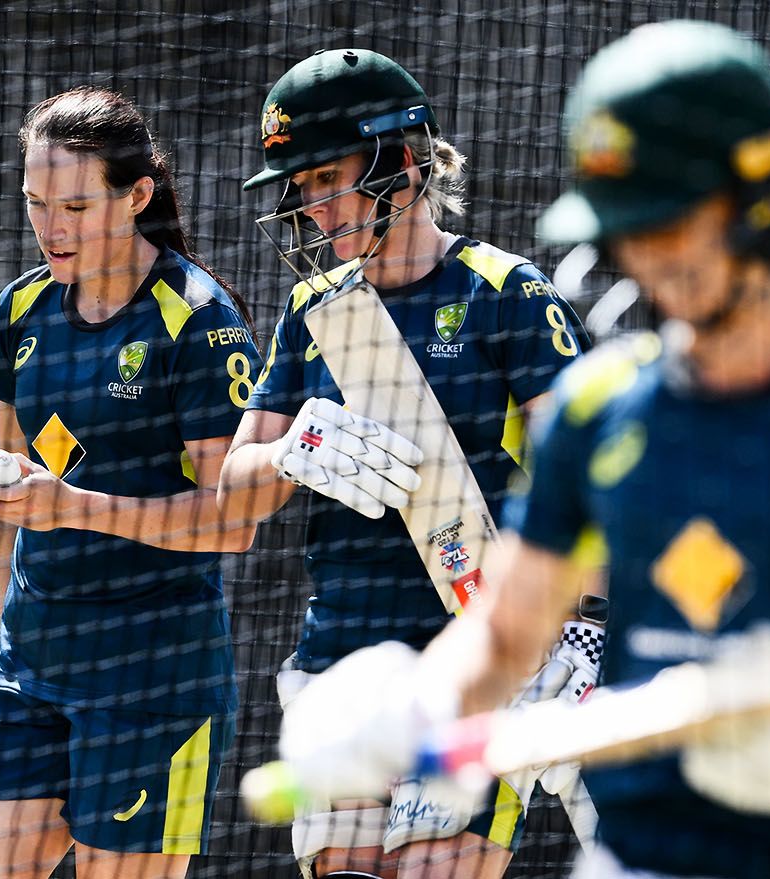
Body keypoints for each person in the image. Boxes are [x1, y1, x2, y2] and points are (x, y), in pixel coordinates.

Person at [273, 21, 770, 879]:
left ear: (767, 198)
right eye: (626, 227)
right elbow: (506, 632)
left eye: (671, 221)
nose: (648, 257)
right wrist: (405, 708)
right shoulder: (601, 413)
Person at [216, 49, 591, 879]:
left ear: (406, 161)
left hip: (478, 649)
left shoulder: (506, 291)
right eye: (301, 188)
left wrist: (584, 615)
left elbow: (591, 475)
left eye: (328, 178)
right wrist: (290, 450)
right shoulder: (317, 311)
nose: (314, 209)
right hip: (341, 663)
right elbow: (231, 494)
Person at [0, 86, 262, 879]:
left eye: (76, 206)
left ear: (137, 196)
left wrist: (75, 507)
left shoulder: (200, 320)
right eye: (36, 204)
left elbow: (234, 520)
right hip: (30, 669)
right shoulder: (19, 308)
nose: (52, 228)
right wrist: (8, 629)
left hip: (156, 680)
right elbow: (14, 491)